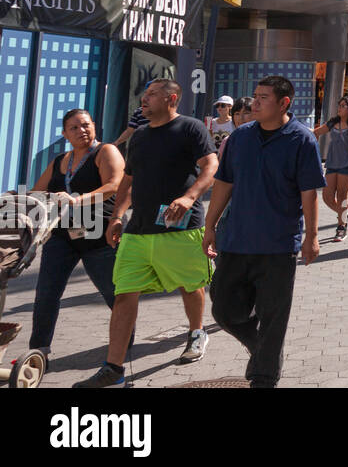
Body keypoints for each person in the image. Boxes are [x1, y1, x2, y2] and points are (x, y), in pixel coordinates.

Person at [74, 79, 217, 388]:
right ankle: (113, 368)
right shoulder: (139, 136)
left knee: (190, 285)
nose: (144, 99)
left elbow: (211, 165)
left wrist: (189, 197)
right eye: (144, 95)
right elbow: (129, 179)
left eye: (152, 94)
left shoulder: (191, 128)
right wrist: (116, 216)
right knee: (124, 293)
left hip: (180, 227)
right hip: (137, 231)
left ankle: (196, 332)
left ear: (172, 98)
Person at [204, 75, 324, 388]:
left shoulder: (302, 140)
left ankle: (264, 375)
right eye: (254, 96)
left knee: (274, 315)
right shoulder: (240, 137)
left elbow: (309, 193)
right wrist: (210, 224)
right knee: (223, 307)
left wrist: (311, 236)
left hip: (278, 244)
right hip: (236, 240)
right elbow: (224, 183)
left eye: (263, 98)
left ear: (284, 103)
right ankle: (262, 348)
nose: (254, 103)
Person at [28, 110, 126, 362]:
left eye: (85, 125)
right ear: (64, 134)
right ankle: (39, 350)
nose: (81, 130)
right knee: (47, 292)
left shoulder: (105, 152)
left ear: (94, 125)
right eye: (74, 128)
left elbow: (114, 185)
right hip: (62, 235)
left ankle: (124, 342)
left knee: (113, 292)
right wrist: (18, 199)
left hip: (99, 233)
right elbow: (38, 192)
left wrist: (76, 199)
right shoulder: (61, 159)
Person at [313, 96, 348, 241]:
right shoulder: (333, 122)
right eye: (339, 105)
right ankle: (346, 214)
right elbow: (316, 132)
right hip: (331, 163)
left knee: (342, 197)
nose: (339, 108)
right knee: (327, 197)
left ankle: (341, 226)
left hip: (347, 164)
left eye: (343, 106)